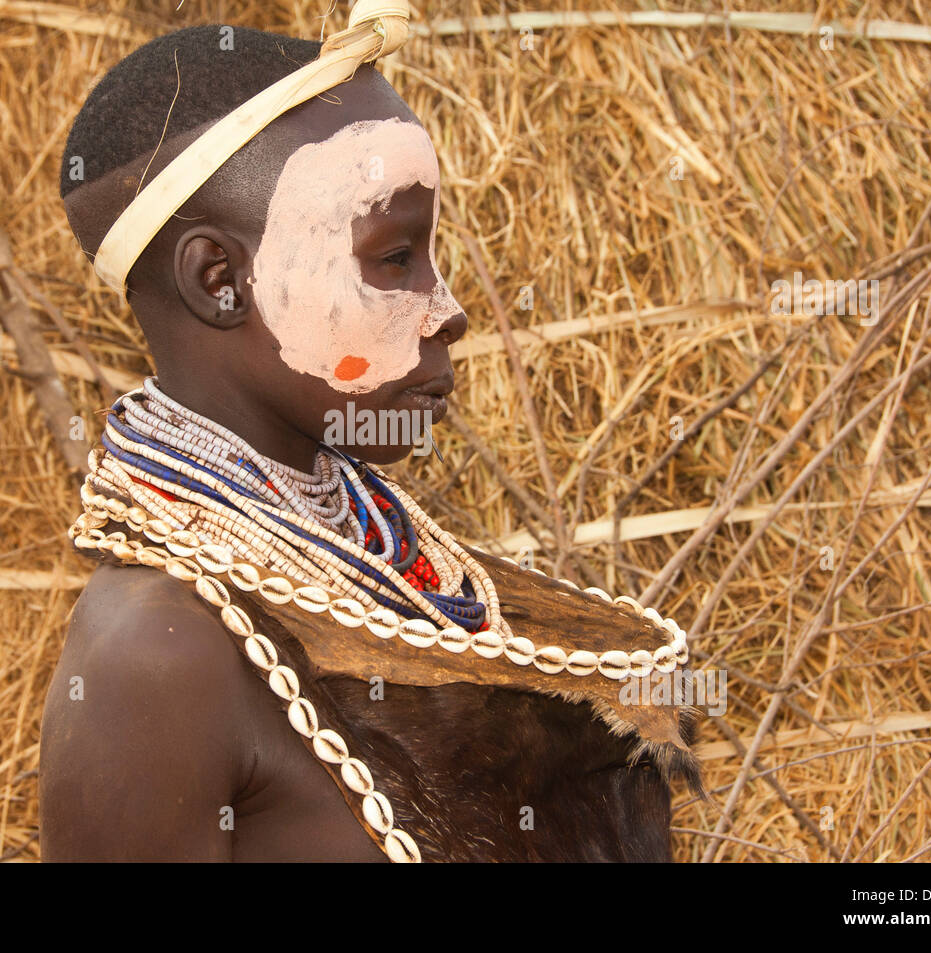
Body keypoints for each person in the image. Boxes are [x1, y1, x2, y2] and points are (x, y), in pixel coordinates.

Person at [40, 10, 698, 863]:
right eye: (394, 258)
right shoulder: (155, 657)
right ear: (220, 280)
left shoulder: (396, 568)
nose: (449, 307)